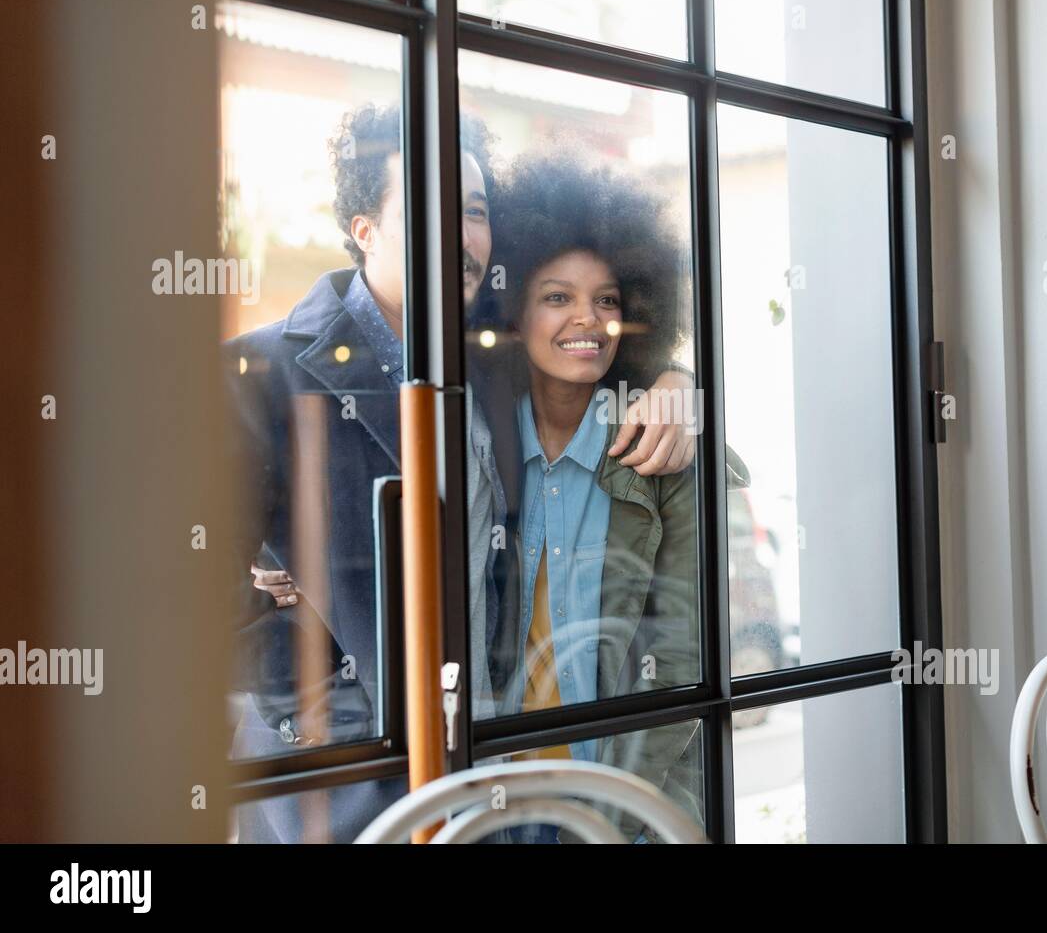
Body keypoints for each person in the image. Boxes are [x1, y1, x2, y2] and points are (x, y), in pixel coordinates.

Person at [225, 104, 703, 842]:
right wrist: (333, 704)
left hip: (488, 780)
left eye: (474, 211)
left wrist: (676, 380)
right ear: (364, 230)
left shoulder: (493, 358)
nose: (461, 233)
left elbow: (592, 338)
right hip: (347, 790)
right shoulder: (261, 372)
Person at [488, 151, 749, 841]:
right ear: (513, 312)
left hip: (626, 813)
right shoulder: (477, 442)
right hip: (490, 810)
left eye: (607, 298)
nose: (589, 319)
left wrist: (609, 816)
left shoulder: (672, 454)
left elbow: (682, 660)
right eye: (557, 296)